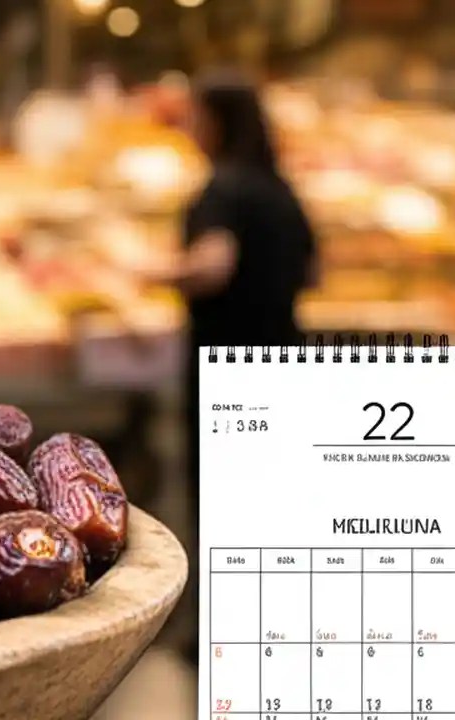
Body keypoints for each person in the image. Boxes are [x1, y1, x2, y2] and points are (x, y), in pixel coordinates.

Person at [128, 77, 318, 664]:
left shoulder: (223, 190)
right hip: (284, 355)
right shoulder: (281, 189)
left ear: (216, 122)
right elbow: (313, 274)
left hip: (227, 365)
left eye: (196, 117)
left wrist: (147, 272)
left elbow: (213, 267)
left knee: (222, 500)